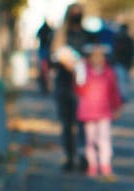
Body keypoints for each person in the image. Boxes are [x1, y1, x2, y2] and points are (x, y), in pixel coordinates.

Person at [51, 3, 94, 171]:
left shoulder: (88, 36)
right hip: (64, 84)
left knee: (83, 123)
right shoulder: (60, 35)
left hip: (83, 86)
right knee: (67, 124)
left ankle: (84, 155)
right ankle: (70, 156)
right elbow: (52, 59)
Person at [75, 43, 123, 177]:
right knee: (90, 140)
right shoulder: (85, 72)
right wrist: (78, 74)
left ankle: (105, 163)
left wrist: (117, 107)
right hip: (88, 111)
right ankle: (92, 164)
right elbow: (79, 90)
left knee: (104, 139)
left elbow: (114, 92)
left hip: (104, 111)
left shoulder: (109, 73)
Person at [112, 23, 134, 100]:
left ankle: (122, 95)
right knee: (122, 79)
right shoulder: (120, 39)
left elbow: (132, 52)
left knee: (122, 79)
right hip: (121, 62)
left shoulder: (122, 39)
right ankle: (122, 95)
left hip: (123, 62)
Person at [36, 19, 54, 93]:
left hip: (44, 50)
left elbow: (37, 36)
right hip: (45, 50)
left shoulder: (43, 29)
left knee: (44, 68)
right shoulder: (49, 30)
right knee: (45, 68)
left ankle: (46, 84)